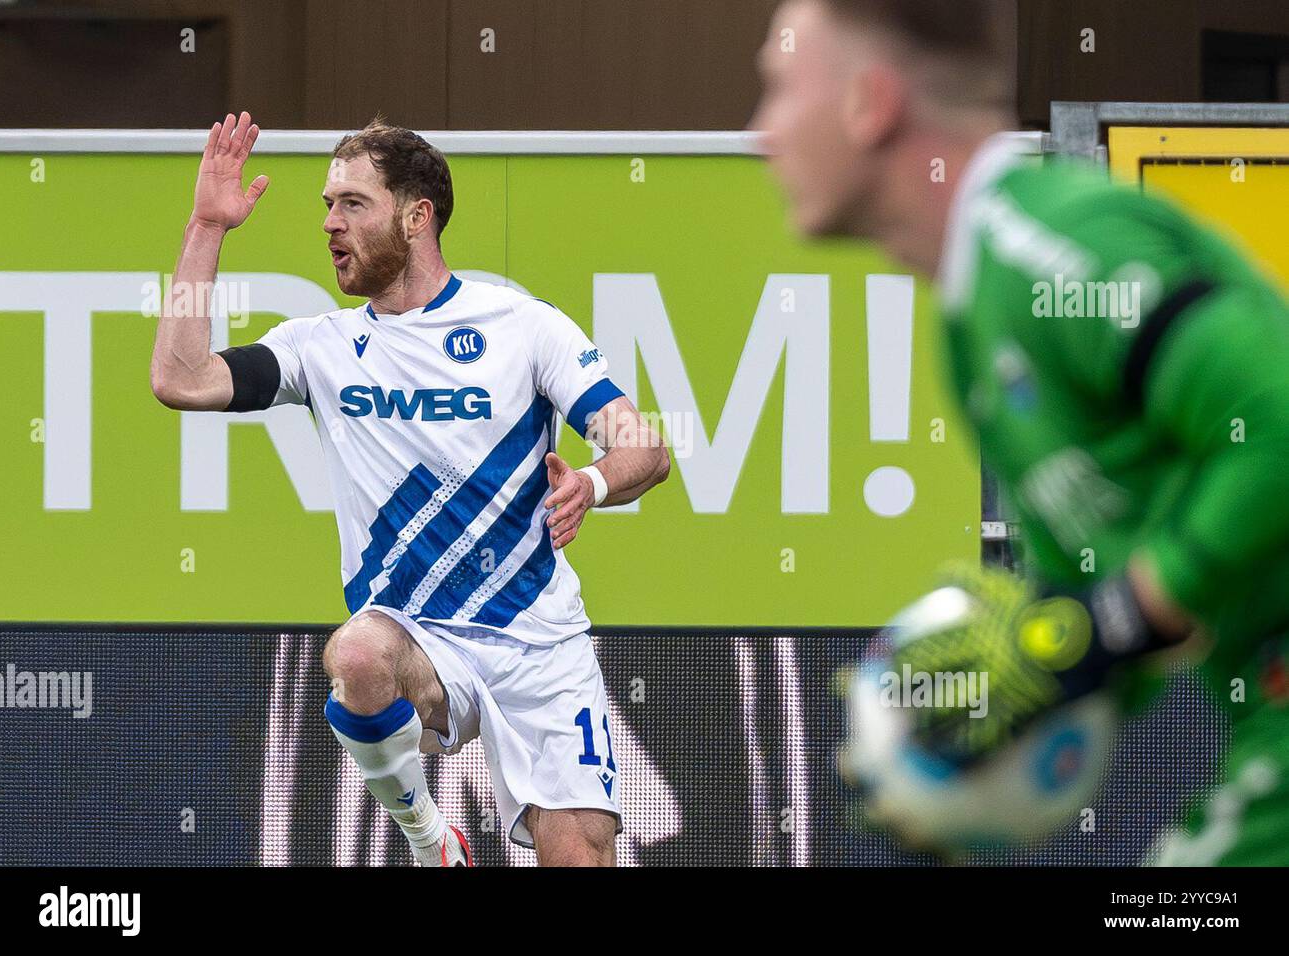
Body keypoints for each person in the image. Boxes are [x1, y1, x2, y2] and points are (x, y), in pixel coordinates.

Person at [751, 0, 1289, 864]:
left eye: (778, 90)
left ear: (869, 104)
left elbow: (1277, 428)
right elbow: (1112, 632)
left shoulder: (1050, 245)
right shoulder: (971, 324)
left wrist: (1108, 624)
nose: (759, 132)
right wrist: (988, 723)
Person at [150, 113, 670, 866]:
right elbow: (179, 378)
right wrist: (206, 224)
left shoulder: (525, 327)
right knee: (356, 657)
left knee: (580, 856)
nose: (330, 223)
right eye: (328, 205)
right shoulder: (319, 348)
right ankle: (433, 843)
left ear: (417, 216)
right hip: (418, 638)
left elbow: (645, 448)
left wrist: (589, 482)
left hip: (538, 642)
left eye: (353, 204)